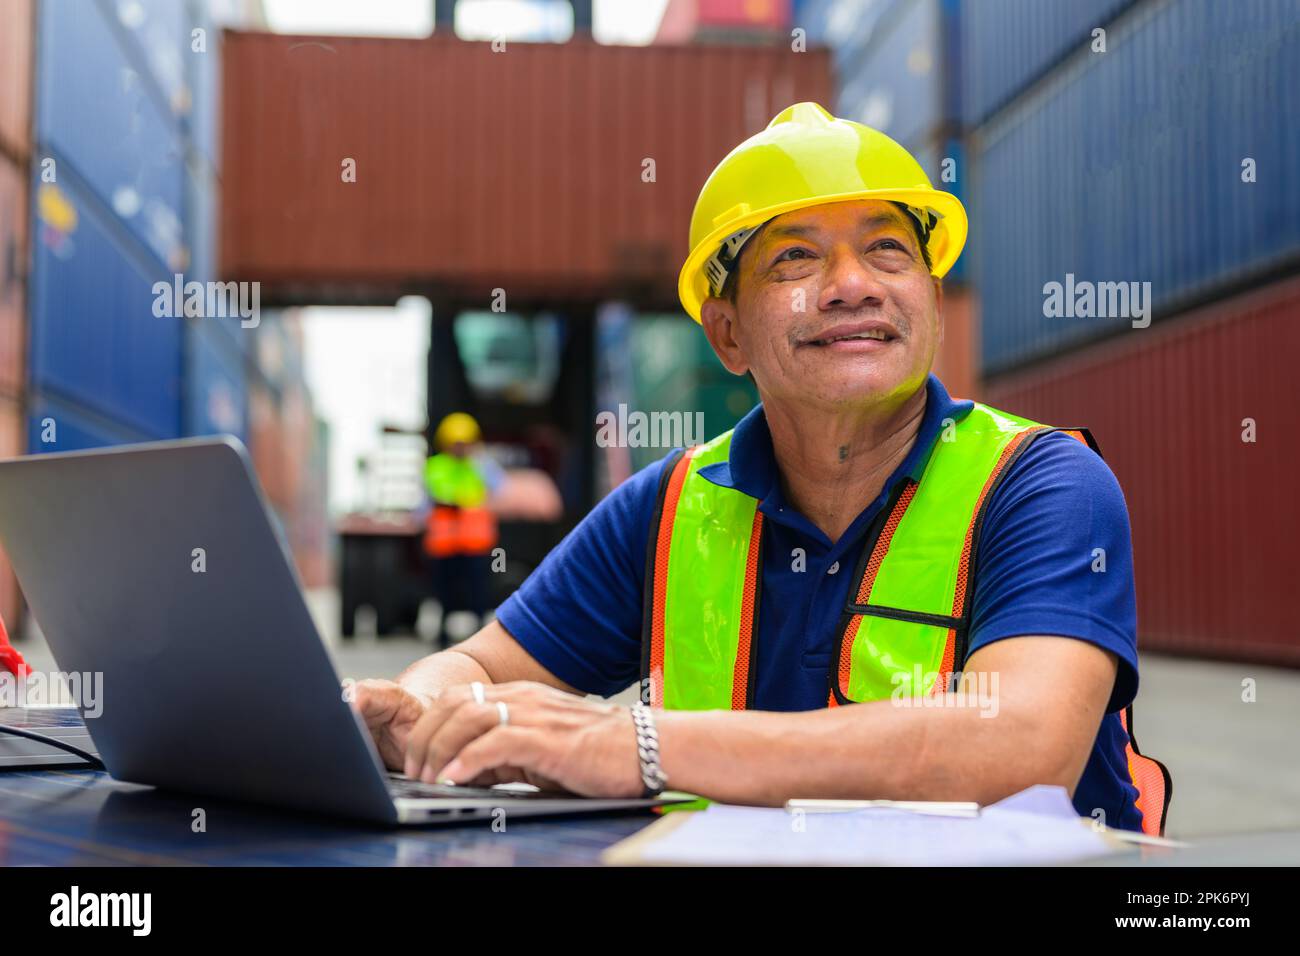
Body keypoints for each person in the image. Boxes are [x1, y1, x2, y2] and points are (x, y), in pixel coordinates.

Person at [355, 103, 1170, 834]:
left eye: (888, 249)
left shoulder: (1040, 486)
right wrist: (424, 712)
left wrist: (636, 745)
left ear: (927, 295)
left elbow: (1020, 746)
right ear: (728, 335)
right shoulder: (670, 507)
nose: (853, 285)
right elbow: (479, 665)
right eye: (796, 261)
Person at [422, 413, 500, 640]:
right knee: (445, 590)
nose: (460, 448)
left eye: (465, 443)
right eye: (456, 443)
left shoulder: (480, 465)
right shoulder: (435, 466)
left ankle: (479, 631)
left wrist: (480, 462)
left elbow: (499, 486)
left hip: (475, 542)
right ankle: (443, 631)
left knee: (478, 590)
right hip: (444, 543)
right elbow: (429, 498)